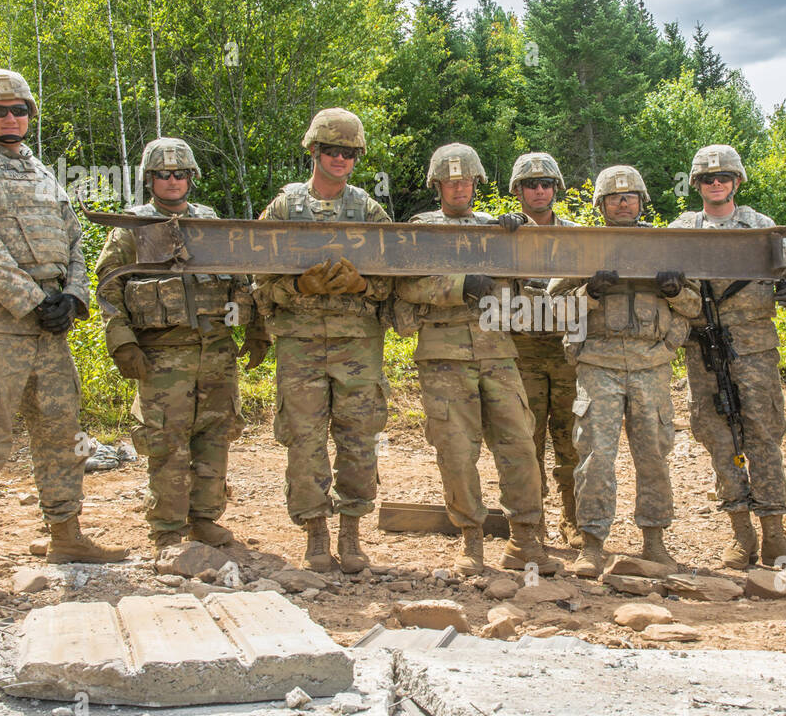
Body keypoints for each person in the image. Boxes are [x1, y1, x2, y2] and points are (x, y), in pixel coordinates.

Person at [0, 69, 127, 604]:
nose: (12, 120)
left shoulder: (41, 172)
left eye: (19, 111)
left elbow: (73, 239)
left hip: (49, 330)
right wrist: (32, 300)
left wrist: (75, 297)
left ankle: (66, 537)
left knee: (61, 437)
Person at [393, 143, 560, 577]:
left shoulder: (497, 226)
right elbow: (405, 286)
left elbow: (530, 280)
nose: (459, 188)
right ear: (437, 186)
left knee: (520, 446)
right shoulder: (421, 229)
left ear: (477, 184)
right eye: (451, 181)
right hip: (443, 355)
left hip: (498, 351)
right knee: (456, 451)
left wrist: (516, 237)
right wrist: (461, 284)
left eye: (466, 180)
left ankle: (525, 540)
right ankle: (471, 542)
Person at [96, 137, 268, 550]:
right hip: (162, 355)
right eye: (162, 175)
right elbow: (108, 287)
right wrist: (122, 341)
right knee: (166, 440)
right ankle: (168, 528)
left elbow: (242, 277)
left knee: (216, 434)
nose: (171, 182)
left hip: (217, 351)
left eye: (179, 174)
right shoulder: (132, 229)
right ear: (149, 180)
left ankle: (205, 518)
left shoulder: (210, 224)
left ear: (191, 178)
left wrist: (257, 328)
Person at [252, 108, 392, 573]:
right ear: (313, 151)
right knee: (304, 439)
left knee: (358, 438)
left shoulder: (370, 211)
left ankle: (351, 532)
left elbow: (394, 280)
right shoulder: (284, 208)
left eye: (349, 153)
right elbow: (260, 281)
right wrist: (298, 288)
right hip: (301, 342)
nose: (340, 159)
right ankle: (315, 533)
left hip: (357, 343)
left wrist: (362, 286)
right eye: (331, 150)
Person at [551, 165, 701, 578]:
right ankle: (592, 544)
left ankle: (655, 543)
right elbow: (554, 308)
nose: (622, 202)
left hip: (651, 364)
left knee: (653, 455)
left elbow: (697, 308)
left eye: (630, 196)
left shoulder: (664, 245)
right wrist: (590, 292)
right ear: (600, 204)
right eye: (614, 197)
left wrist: (676, 290)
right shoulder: (583, 246)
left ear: (642, 201)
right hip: (598, 365)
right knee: (596, 457)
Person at [670, 144, 786, 568]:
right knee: (718, 437)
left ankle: (775, 534)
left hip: (754, 348)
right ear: (697, 185)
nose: (716, 183)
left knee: (764, 435)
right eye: (708, 179)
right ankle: (741, 535)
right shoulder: (682, 231)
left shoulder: (762, 228)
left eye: (724, 177)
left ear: (737, 181)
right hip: (703, 348)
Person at [507, 152, 581, 546]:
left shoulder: (577, 235)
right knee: (525, 441)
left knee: (571, 439)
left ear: (556, 189)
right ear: (517, 190)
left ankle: (572, 518)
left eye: (545, 184)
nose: (539, 191)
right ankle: (531, 524)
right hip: (520, 351)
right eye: (530, 185)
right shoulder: (503, 232)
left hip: (567, 349)